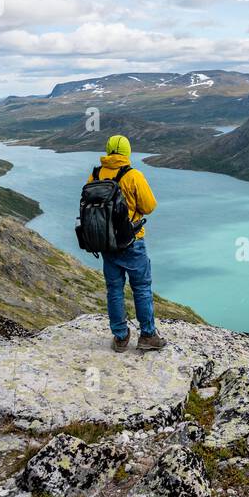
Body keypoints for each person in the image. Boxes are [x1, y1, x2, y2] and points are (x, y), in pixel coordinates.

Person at [90, 134, 165, 352]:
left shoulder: (96, 173)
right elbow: (149, 206)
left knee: (114, 289)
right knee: (141, 288)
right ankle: (148, 335)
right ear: (127, 152)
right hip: (131, 241)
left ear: (108, 150)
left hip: (105, 243)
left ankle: (120, 337)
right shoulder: (133, 175)